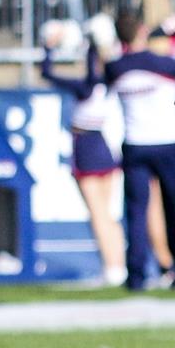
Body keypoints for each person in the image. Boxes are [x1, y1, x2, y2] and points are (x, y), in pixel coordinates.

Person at [108, 13, 175, 293]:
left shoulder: (115, 67)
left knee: (136, 214)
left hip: (135, 143)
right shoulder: (161, 63)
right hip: (166, 142)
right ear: (141, 31)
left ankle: (136, 277)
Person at [42, 38, 128, 286]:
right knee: (107, 213)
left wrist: (48, 48)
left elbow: (48, 73)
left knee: (98, 214)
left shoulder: (85, 87)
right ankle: (117, 265)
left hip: (87, 148)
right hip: (101, 145)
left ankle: (112, 269)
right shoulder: (108, 84)